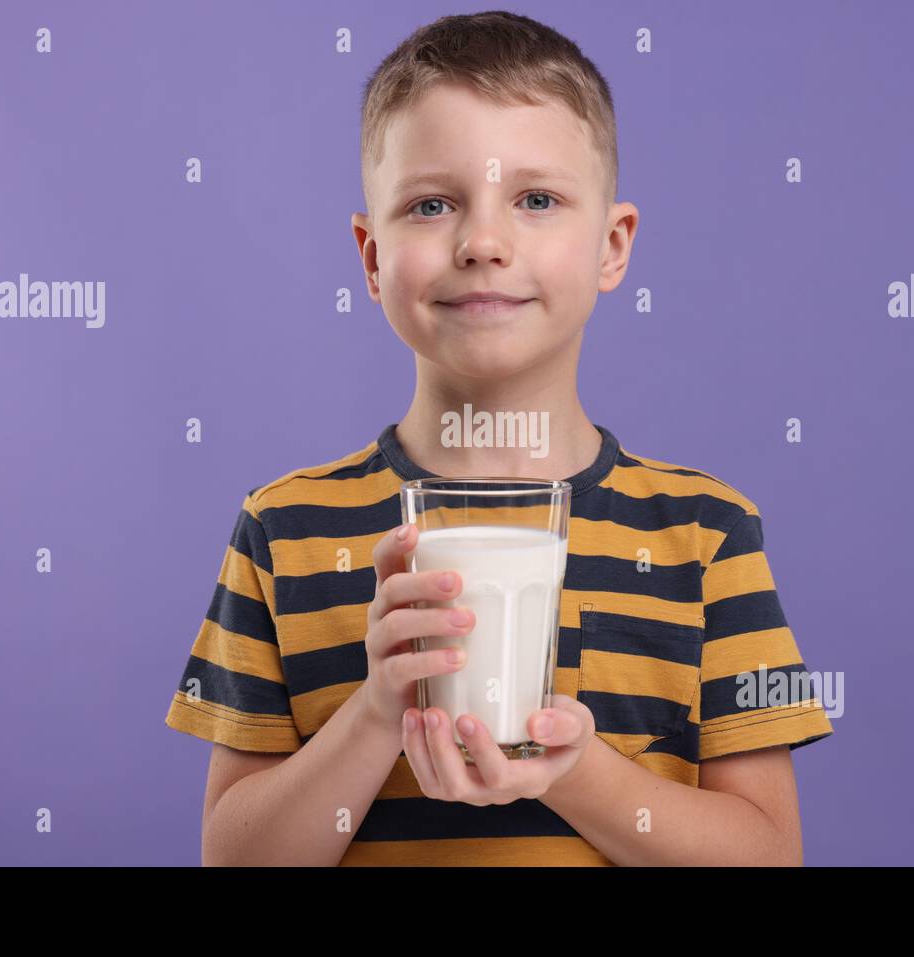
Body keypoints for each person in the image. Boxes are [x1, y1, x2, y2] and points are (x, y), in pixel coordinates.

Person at [165, 10, 833, 866]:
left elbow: (769, 856)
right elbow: (236, 857)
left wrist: (570, 769)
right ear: (371, 260)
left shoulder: (705, 534)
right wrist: (375, 713)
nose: (483, 242)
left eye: (538, 199)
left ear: (612, 245)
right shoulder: (284, 531)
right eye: (432, 203)